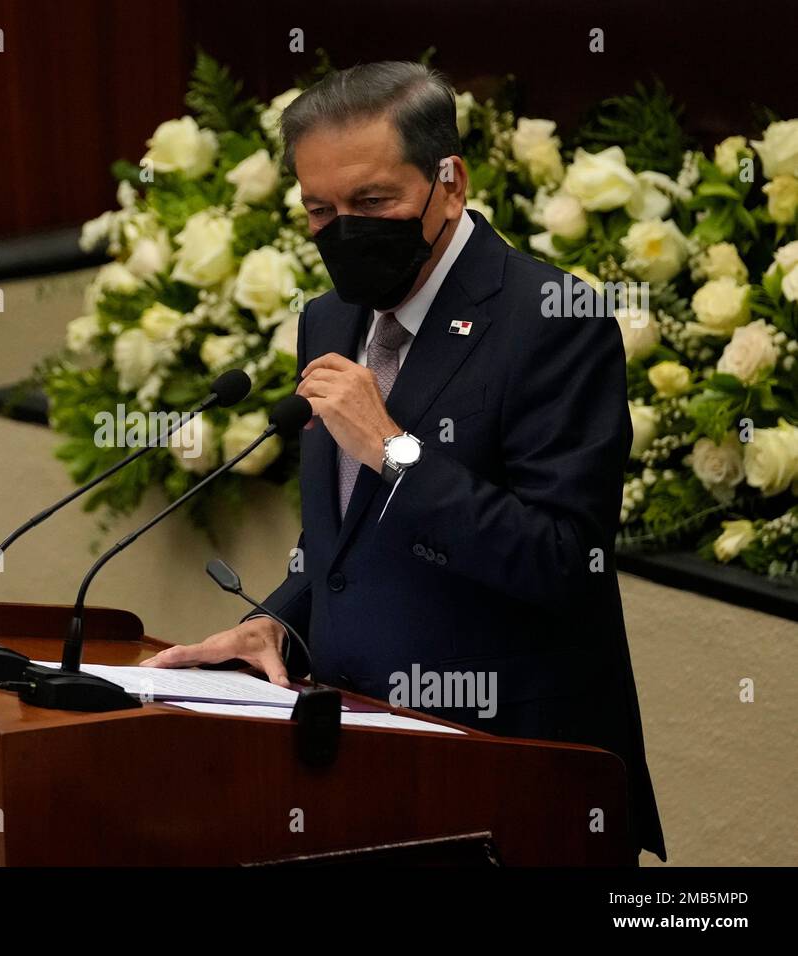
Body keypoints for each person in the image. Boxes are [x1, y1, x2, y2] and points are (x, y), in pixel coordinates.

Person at [143, 62, 665, 863]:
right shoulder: (329, 318)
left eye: (373, 203)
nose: (344, 229)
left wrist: (393, 449)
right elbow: (350, 544)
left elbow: (564, 561)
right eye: (320, 209)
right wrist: (278, 620)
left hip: (513, 780)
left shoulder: (553, 322)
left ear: (448, 184)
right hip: (359, 765)